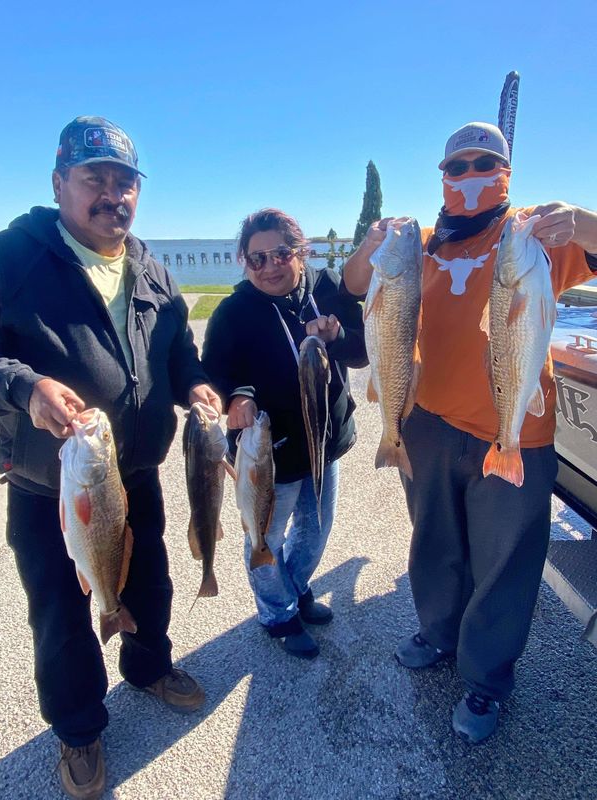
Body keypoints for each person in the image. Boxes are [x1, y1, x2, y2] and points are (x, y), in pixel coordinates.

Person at [343, 122, 597, 744]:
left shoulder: (537, 235)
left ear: (505, 172)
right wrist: (372, 241)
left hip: (514, 434)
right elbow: (354, 284)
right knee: (434, 542)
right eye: (456, 167)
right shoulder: (424, 244)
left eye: (484, 163)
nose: (469, 175)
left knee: (505, 563)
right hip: (427, 423)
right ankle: (438, 633)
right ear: (443, 177)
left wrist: (582, 220)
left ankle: (486, 679)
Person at [0, 116, 222, 800]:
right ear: (59, 183)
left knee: (148, 584)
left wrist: (194, 384)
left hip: (137, 473)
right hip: (52, 483)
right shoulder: (14, 255)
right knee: (62, 614)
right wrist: (26, 386)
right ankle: (78, 728)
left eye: (124, 182)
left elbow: (179, 351)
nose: (111, 195)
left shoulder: (149, 265)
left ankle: (148, 667)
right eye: (94, 178)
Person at [202, 209, 368, 659]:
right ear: (244, 261)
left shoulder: (327, 288)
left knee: (316, 529)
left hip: (324, 443)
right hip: (267, 454)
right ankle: (278, 614)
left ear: (301, 252)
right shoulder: (233, 313)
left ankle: (293, 586)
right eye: (256, 259)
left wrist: (338, 336)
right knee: (265, 538)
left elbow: (363, 352)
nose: (269, 266)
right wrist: (238, 396)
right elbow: (214, 376)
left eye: (280, 254)